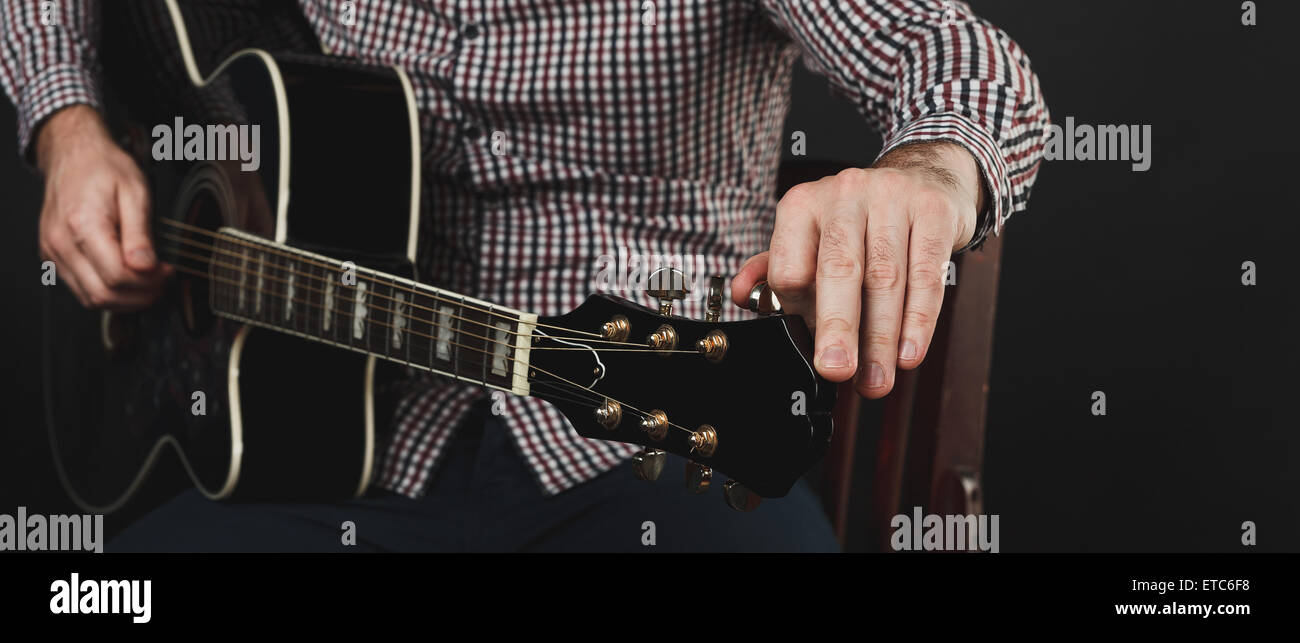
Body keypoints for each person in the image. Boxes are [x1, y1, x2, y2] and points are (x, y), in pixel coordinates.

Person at [1, 0, 1048, 551]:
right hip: (331, 442)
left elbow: (957, 57)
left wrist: (928, 174)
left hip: (666, 437)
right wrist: (68, 127)